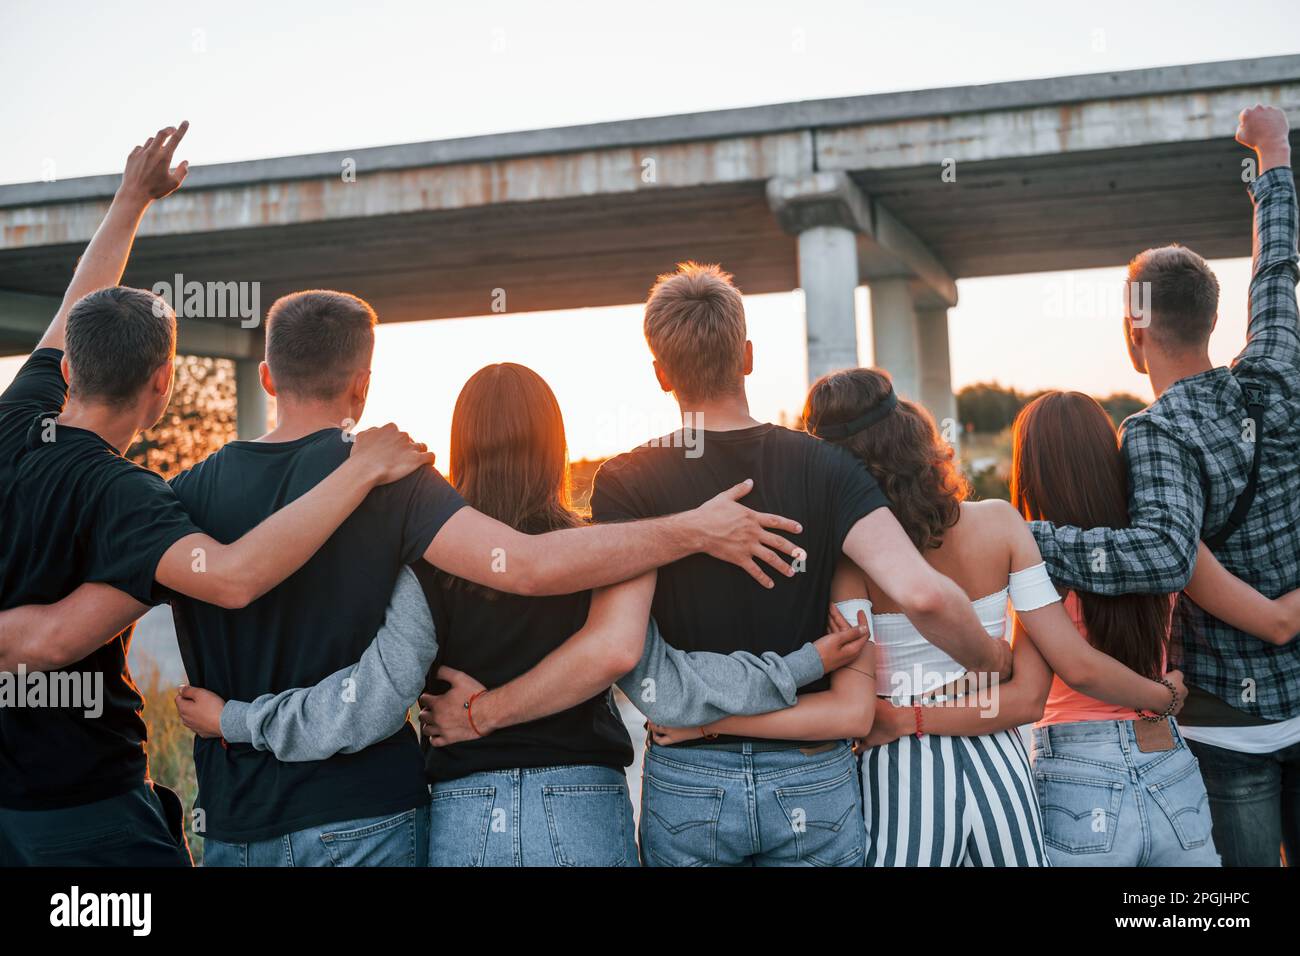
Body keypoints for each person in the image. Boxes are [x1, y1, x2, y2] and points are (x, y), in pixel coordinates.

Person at [420, 264, 1014, 867]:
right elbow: (925, 597)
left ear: (660, 375)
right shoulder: (829, 468)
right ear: (748, 356)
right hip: (811, 773)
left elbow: (617, 650)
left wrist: (482, 714)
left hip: (690, 783)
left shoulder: (628, 481)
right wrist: (992, 658)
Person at [174, 362, 874, 866]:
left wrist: (237, 718)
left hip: (466, 810)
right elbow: (673, 687)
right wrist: (806, 662)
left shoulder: (433, 564)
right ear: (555, 443)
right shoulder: (601, 555)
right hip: (584, 805)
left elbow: (371, 700)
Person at [0, 124, 437, 866]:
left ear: (68, 369)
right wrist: (358, 470)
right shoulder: (127, 495)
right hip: (81, 802)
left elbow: (82, 299)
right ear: (164, 384)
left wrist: (131, 199)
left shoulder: (17, 418)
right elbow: (230, 578)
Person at [653, 369, 1190, 867]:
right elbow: (1029, 699)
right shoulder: (1002, 525)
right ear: (916, 436)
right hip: (1002, 778)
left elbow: (856, 712)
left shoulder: (847, 564)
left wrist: (708, 721)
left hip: (898, 783)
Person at [1028, 105, 1300, 866]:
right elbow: (1277, 266)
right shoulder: (1278, 367)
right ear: (1216, 316)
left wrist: (1026, 539)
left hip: (1224, 725)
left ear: (1133, 331)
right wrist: (1272, 153)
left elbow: (1160, 555)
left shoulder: (1152, 433)